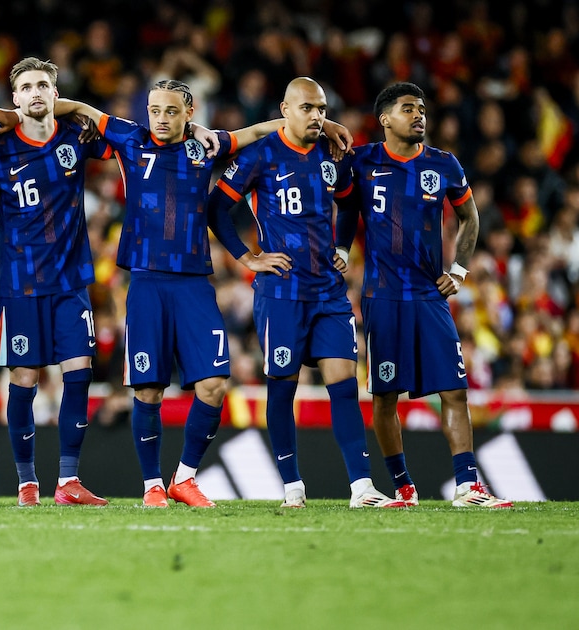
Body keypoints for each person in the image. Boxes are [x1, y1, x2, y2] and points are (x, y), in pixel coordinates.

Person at [48, 82, 329, 508]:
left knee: (214, 384)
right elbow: (81, 107)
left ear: (189, 111)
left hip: (195, 283)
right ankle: (152, 487)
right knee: (148, 390)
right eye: (154, 110)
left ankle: (184, 477)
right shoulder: (130, 139)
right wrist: (32, 106)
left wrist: (327, 126)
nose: (160, 118)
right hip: (145, 283)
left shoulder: (205, 147)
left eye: (170, 111)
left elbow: (256, 133)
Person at [207, 77, 404, 509]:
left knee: (344, 383)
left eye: (322, 109)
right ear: (285, 108)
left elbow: (351, 203)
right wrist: (247, 258)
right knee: (282, 386)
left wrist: (341, 246)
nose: (316, 116)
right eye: (308, 108)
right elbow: (216, 208)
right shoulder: (259, 155)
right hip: (281, 292)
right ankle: (292, 486)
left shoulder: (334, 156)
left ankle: (361, 488)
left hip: (329, 292)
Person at [335, 82, 512, 508]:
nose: (419, 116)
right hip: (383, 296)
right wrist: (341, 249)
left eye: (422, 109)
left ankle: (467, 486)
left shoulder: (443, 164)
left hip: (430, 295)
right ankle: (404, 486)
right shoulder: (362, 160)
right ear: (384, 119)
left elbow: (470, 218)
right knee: (385, 395)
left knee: (454, 389)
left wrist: (460, 269)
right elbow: (345, 208)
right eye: (408, 108)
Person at [0, 57, 113, 507]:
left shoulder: (77, 138)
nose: (35, 92)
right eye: (26, 87)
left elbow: (125, 137)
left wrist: (82, 111)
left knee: (78, 374)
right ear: (14, 98)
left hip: (71, 281)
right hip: (19, 285)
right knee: (24, 378)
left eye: (44, 85)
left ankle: (69, 482)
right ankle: (26, 483)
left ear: (55, 95)